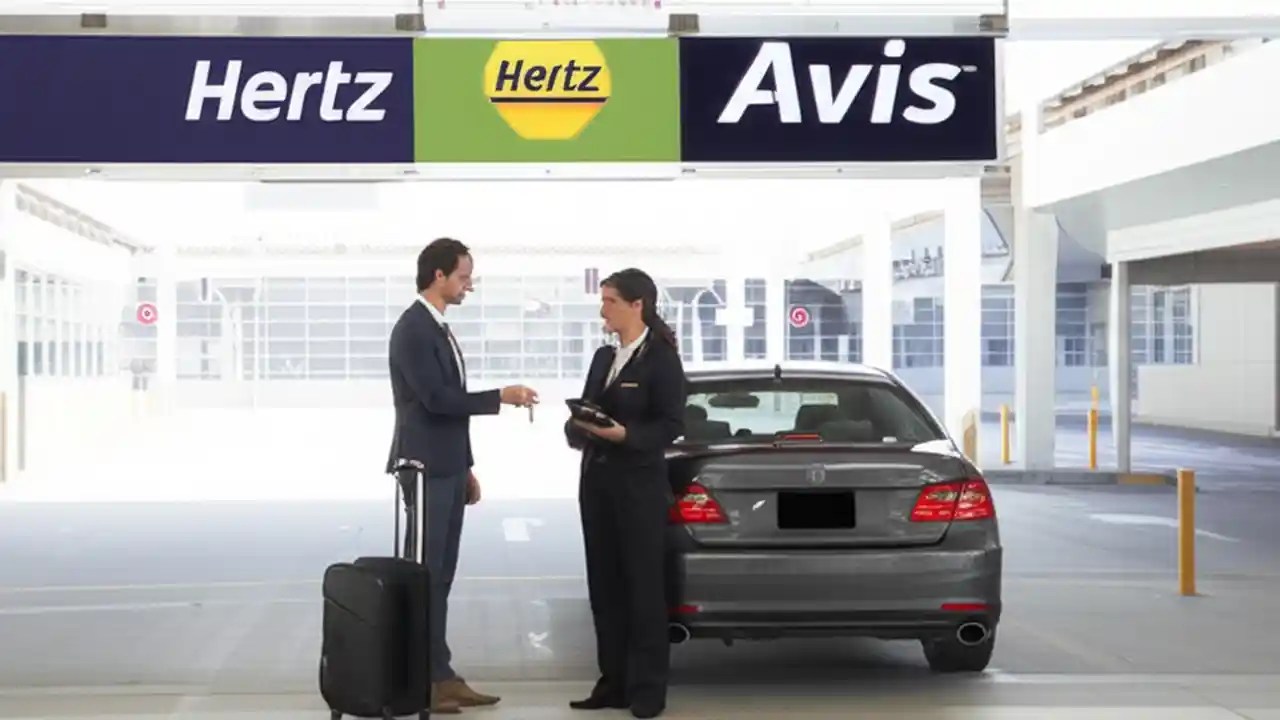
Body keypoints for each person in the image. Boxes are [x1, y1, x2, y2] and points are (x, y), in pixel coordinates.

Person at [386, 237, 538, 715]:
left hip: (448, 465)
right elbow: (436, 400)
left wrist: (467, 465)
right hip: (425, 467)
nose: (469, 285)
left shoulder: (438, 328)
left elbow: (451, 407)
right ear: (439, 275)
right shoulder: (413, 330)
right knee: (426, 576)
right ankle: (422, 681)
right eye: (464, 277)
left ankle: (441, 675)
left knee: (442, 577)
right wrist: (502, 397)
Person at [564, 268, 686, 719]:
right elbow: (582, 413)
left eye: (611, 301)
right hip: (596, 487)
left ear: (638, 305)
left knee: (643, 590)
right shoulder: (603, 357)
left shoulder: (661, 360)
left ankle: (648, 689)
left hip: (638, 489)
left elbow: (671, 426)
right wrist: (577, 427)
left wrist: (624, 435)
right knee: (605, 588)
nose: (603, 309)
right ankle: (613, 682)